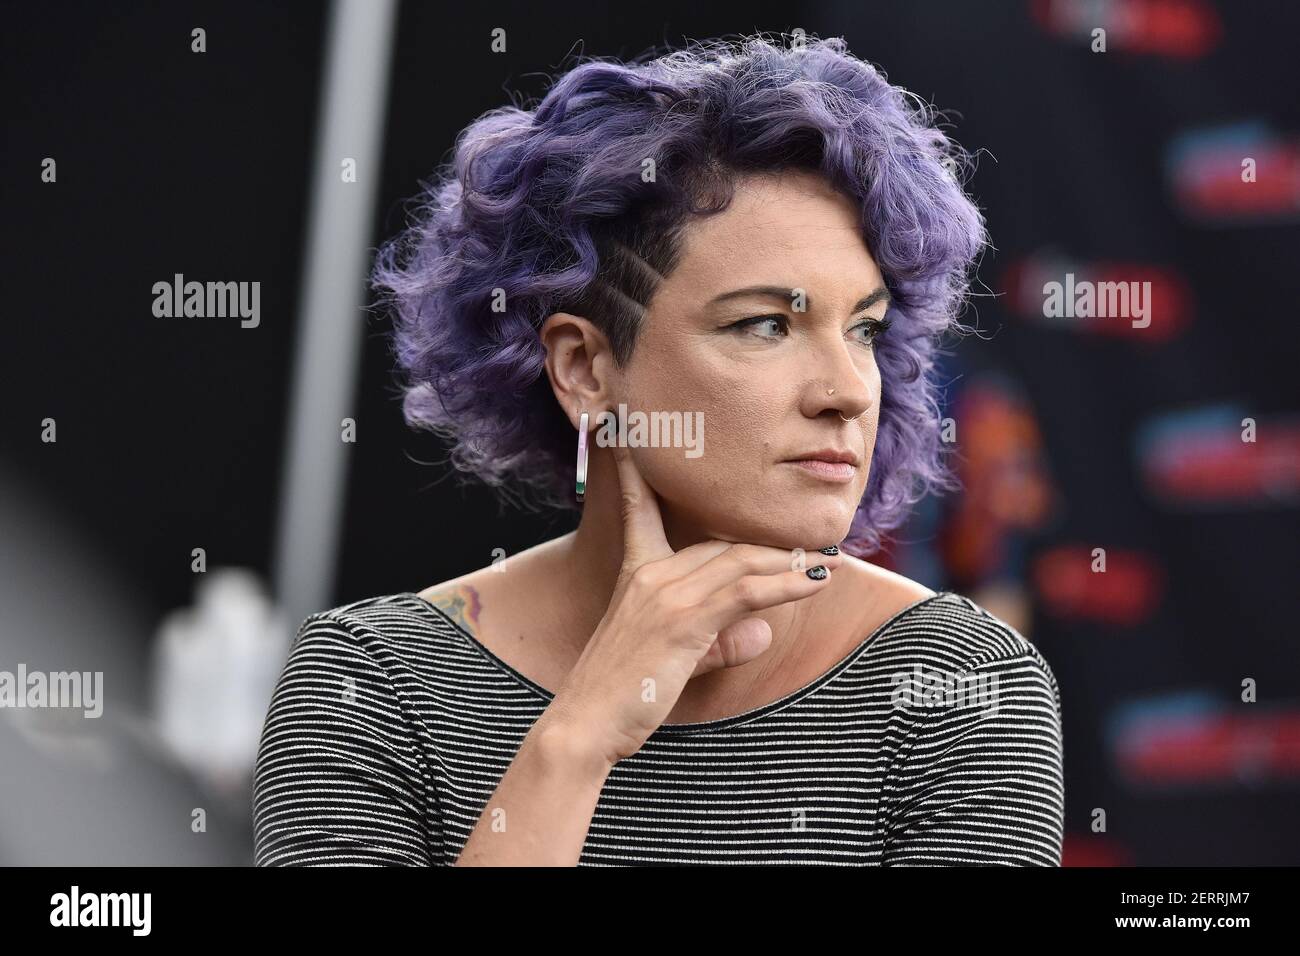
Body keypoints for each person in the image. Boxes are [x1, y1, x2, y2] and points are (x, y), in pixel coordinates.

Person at [253, 33, 1064, 866]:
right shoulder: (373, 686)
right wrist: (578, 737)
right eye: (766, 325)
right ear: (585, 367)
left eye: (864, 329)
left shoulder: (961, 685)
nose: (849, 391)